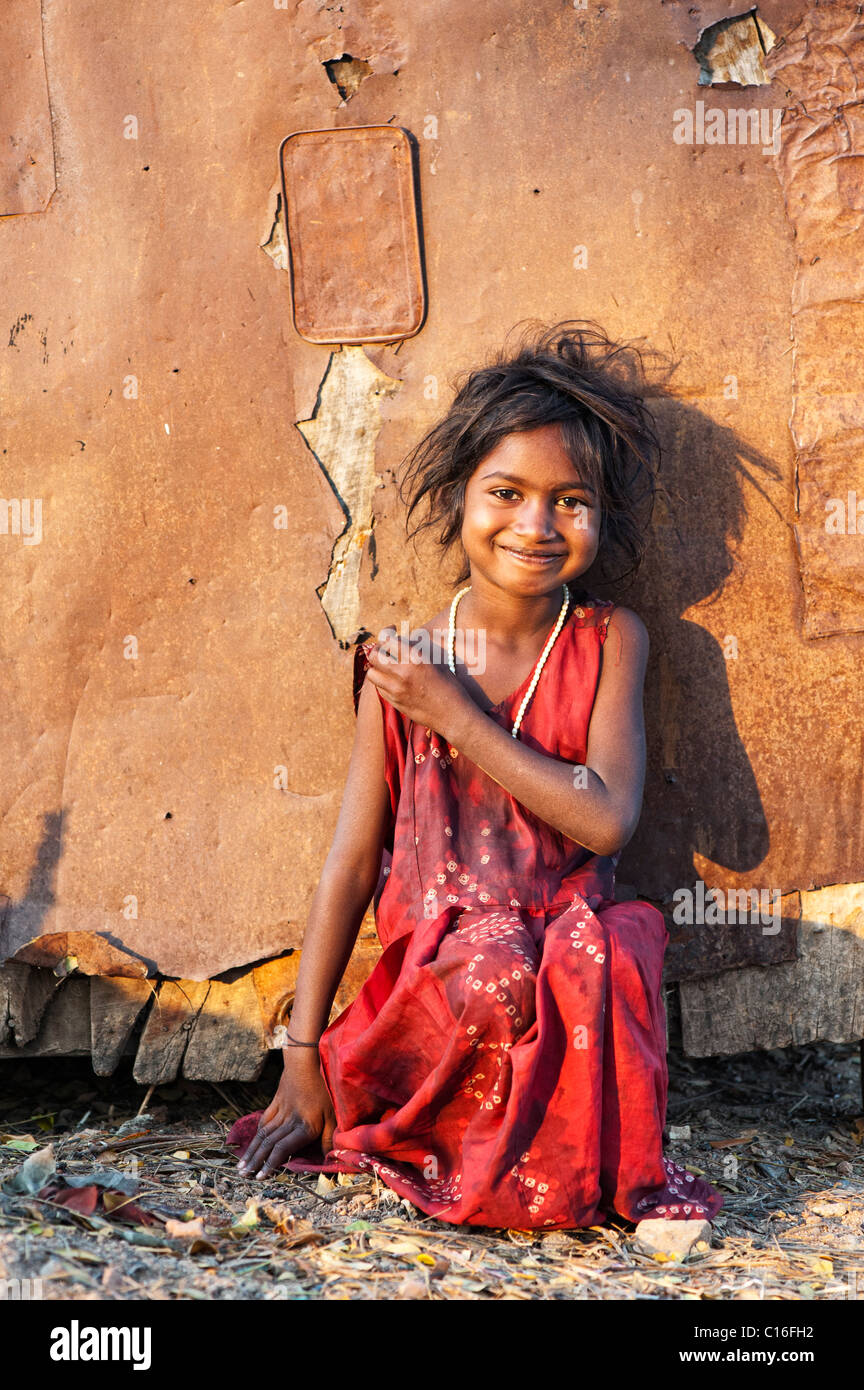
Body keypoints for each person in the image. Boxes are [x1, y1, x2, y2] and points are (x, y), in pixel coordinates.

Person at [227, 320, 723, 1229]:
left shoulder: (610, 641)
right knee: (496, 960)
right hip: (452, 975)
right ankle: (461, 1145)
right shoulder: (404, 664)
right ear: (460, 499)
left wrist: (458, 718)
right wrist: (300, 1061)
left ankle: (557, 1162)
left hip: (563, 946)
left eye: (570, 501)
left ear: (602, 517)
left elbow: (607, 822)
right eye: (507, 492)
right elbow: (349, 862)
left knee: (603, 946)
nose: (535, 525)